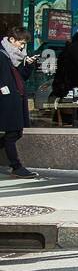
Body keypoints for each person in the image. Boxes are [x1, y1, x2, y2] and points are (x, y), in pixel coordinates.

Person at [0, 28, 40, 179]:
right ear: (12, 40)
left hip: (16, 98)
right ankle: (16, 166)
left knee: (16, 132)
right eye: (21, 43)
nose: (22, 47)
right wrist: (4, 90)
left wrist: (28, 64)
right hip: (7, 99)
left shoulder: (14, 56)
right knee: (12, 133)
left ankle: (16, 166)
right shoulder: (3, 54)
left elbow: (21, 76)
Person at [52, 31, 78, 118]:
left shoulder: (67, 53)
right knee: (76, 114)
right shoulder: (72, 54)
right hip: (70, 90)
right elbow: (74, 72)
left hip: (68, 88)